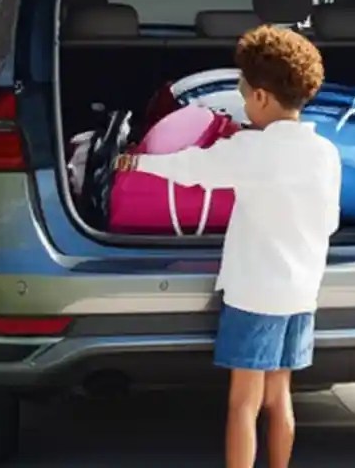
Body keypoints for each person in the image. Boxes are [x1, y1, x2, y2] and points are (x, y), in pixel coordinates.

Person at [127, 25, 341, 468]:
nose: (244, 106)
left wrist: (136, 162)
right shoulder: (325, 153)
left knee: (243, 402)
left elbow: (193, 169)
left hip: (254, 295)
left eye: (245, 96)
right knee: (280, 397)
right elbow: (331, 221)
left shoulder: (251, 149)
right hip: (301, 293)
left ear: (262, 97)